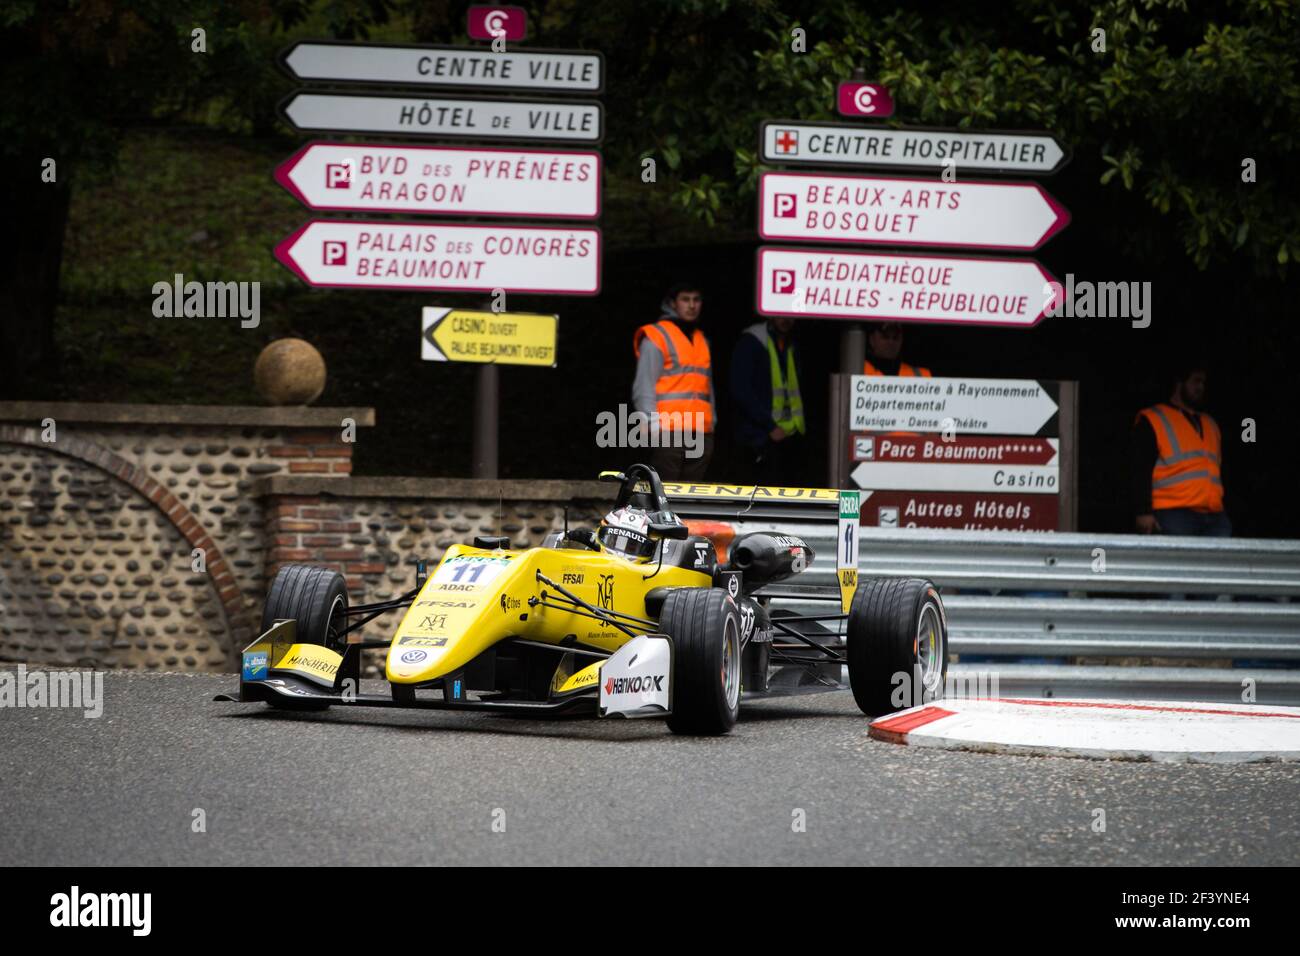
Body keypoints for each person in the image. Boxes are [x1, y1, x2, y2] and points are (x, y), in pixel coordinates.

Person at [1132, 362, 1229, 536]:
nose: (1201, 387)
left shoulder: (1210, 424)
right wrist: (1143, 511)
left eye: (1203, 383)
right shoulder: (1154, 418)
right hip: (1173, 513)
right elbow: (1140, 469)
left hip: (1214, 515)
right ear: (1179, 383)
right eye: (1196, 381)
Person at [632, 281, 715, 480]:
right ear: (672, 303)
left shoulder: (701, 339)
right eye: (685, 299)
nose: (692, 305)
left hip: (701, 432)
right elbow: (644, 386)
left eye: (696, 300)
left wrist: (712, 422)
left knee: (691, 494)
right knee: (665, 492)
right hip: (668, 431)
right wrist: (652, 425)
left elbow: (707, 387)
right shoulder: (657, 336)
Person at [731, 315, 807, 486]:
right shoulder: (752, 341)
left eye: (790, 315)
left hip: (788, 434)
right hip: (758, 437)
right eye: (780, 313)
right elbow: (741, 389)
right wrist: (770, 426)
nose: (786, 319)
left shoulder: (791, 344)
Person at [863, 322, 930, 376]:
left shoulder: (920, 375)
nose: (891, 342)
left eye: (896, 337)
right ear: (871, 339)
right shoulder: (859, 369)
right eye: (885, 337)